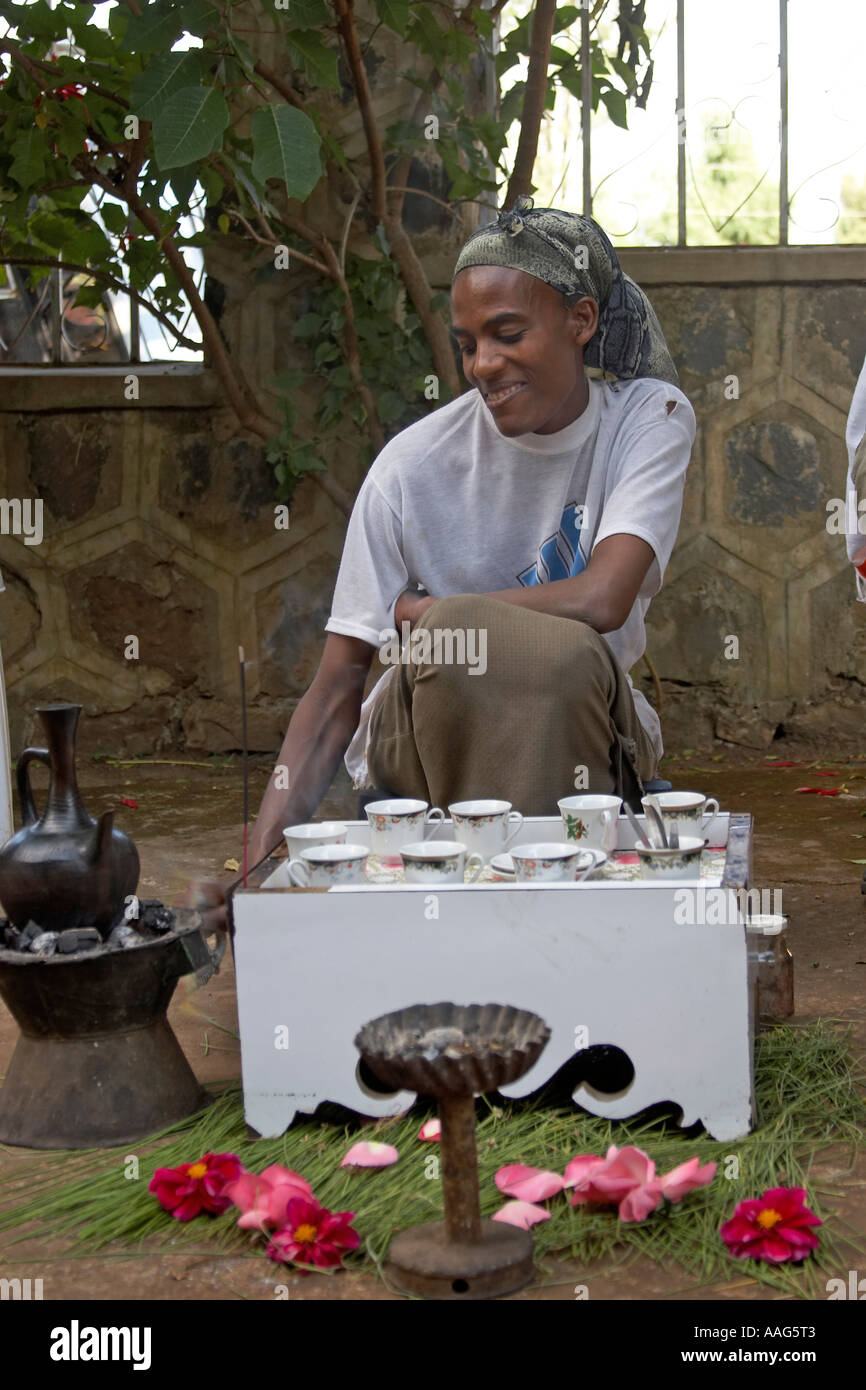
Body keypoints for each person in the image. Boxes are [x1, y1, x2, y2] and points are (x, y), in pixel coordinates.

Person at [192, 196, 696, 926]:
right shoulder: (410, 469)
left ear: (581, 321)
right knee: (480, 650)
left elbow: (604, 598)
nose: (483, 365)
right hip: (424, 751)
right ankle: (509, 914)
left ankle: (530, 918)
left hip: (584, 735)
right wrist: (257, 869)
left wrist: (434, 617)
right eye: (467, 343)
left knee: (544, 654)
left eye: (508, 333)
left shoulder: (649, 422)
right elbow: (338, 689)